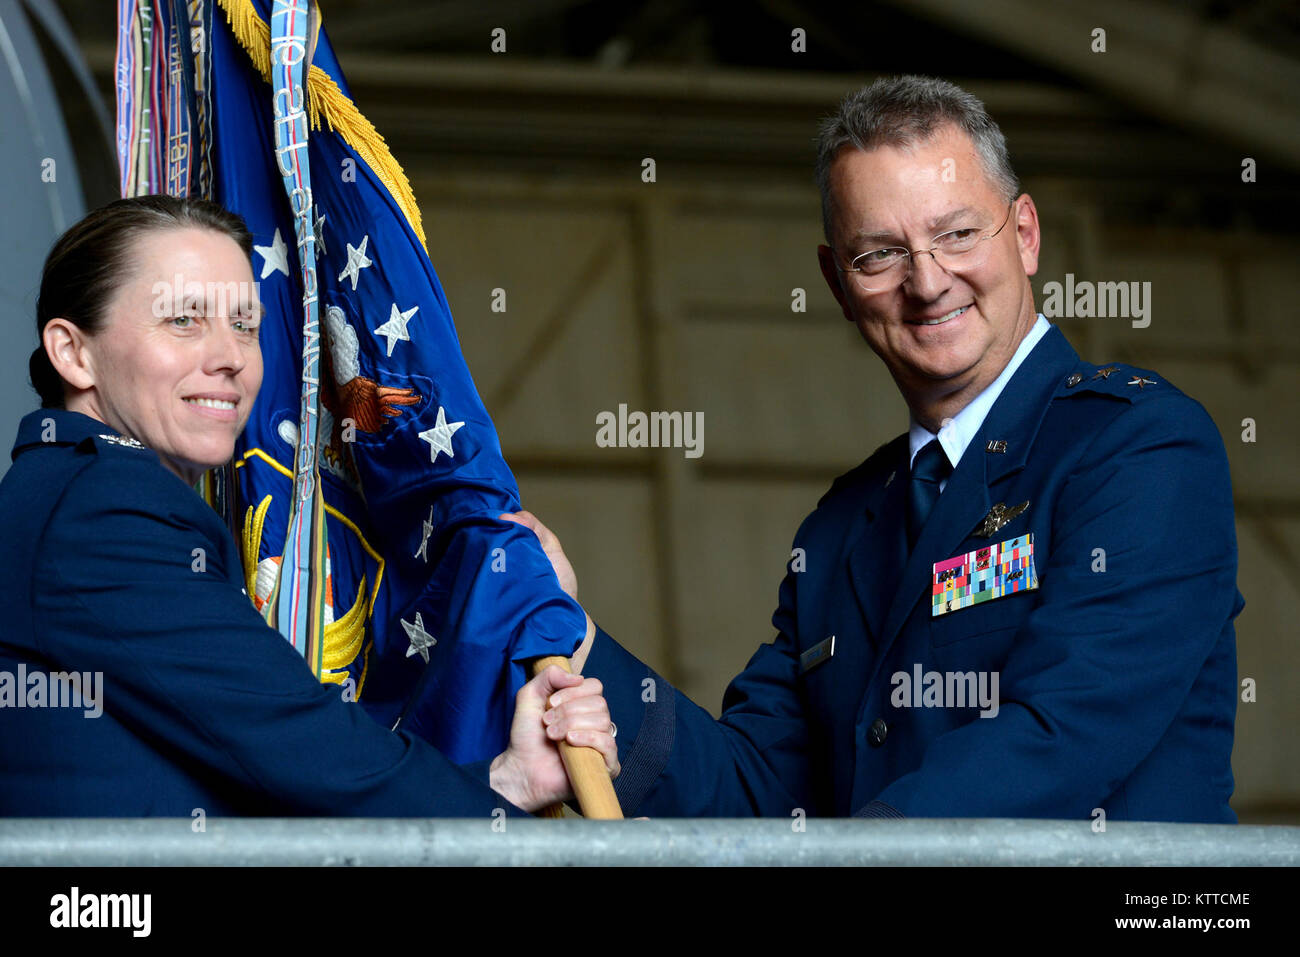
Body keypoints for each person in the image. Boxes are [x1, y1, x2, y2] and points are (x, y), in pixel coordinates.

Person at [514, 75, 1242, 823]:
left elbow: (1063, 733)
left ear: (1024, 234)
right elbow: (754, 789)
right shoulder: (841, 530)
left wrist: (855, 856)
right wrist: (571, 638)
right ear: (836, 281)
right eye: (881, 254)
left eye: (958, 233)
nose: (927, 282)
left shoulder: (1139, 448)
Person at [0, 194, 617, 817]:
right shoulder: (100, 508)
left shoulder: (74, 492)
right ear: (73, 353)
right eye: (184, 320)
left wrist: (507, 783)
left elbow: (262, 773)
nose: (231, 357)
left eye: (245, 325)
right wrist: (557, 853)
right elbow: (304, 754)